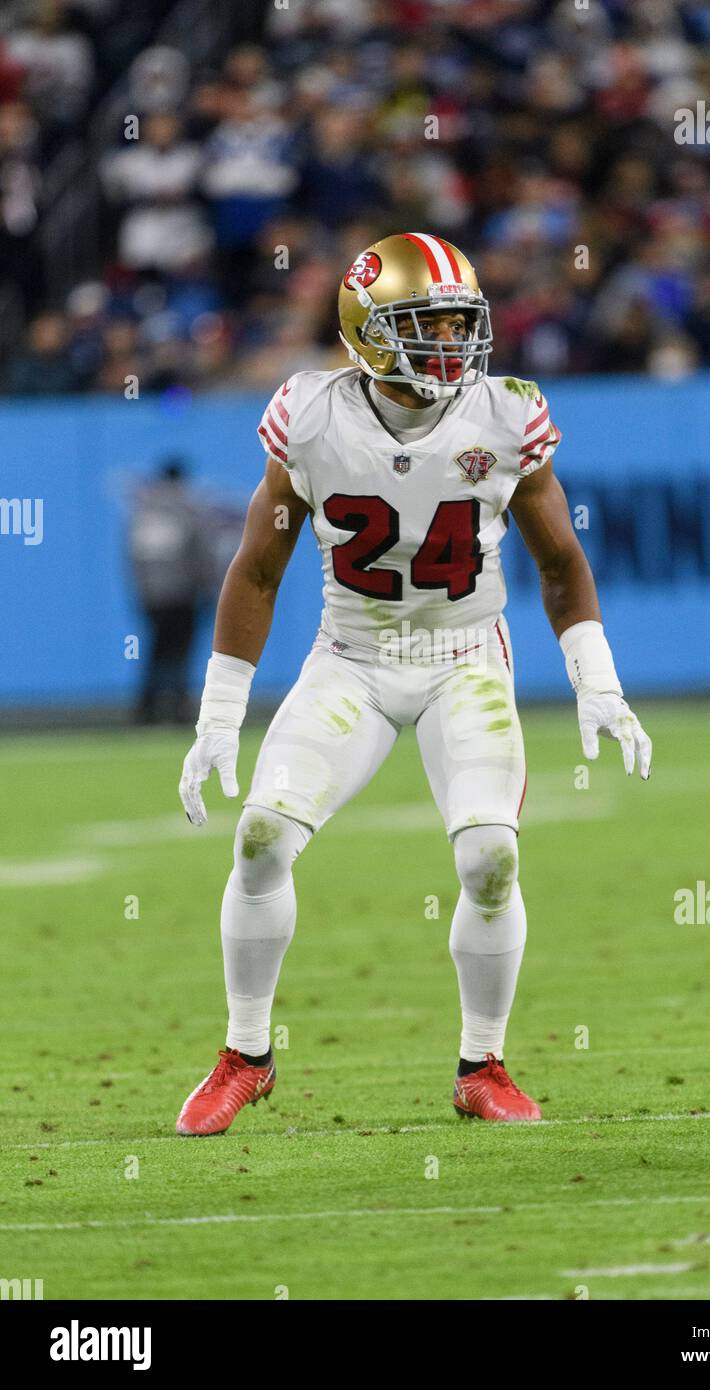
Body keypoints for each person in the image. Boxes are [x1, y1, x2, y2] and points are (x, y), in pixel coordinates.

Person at [176, 232, 652, 1135]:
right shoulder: (311, 416)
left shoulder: (505, 415)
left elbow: (560, 563)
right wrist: (219, 715)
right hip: (350, 659)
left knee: (489, 857)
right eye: (423, 324)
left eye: (457, 323)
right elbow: (257, 570)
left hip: (465, 659)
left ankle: (483, 1065)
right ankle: (246, 1054)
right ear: (367, 329)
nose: (449, 344)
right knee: (262, 837)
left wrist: (597, 680)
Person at [129, 459, 209, 724]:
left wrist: (141, 592)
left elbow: (134, 557)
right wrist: (206, 589)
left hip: (152, 595)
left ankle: (147, 709)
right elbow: (199, 552)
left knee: (155, 651)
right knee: (180, 652)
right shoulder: (187, 508)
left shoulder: (144, 511)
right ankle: (178, 707)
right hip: (182, 593)